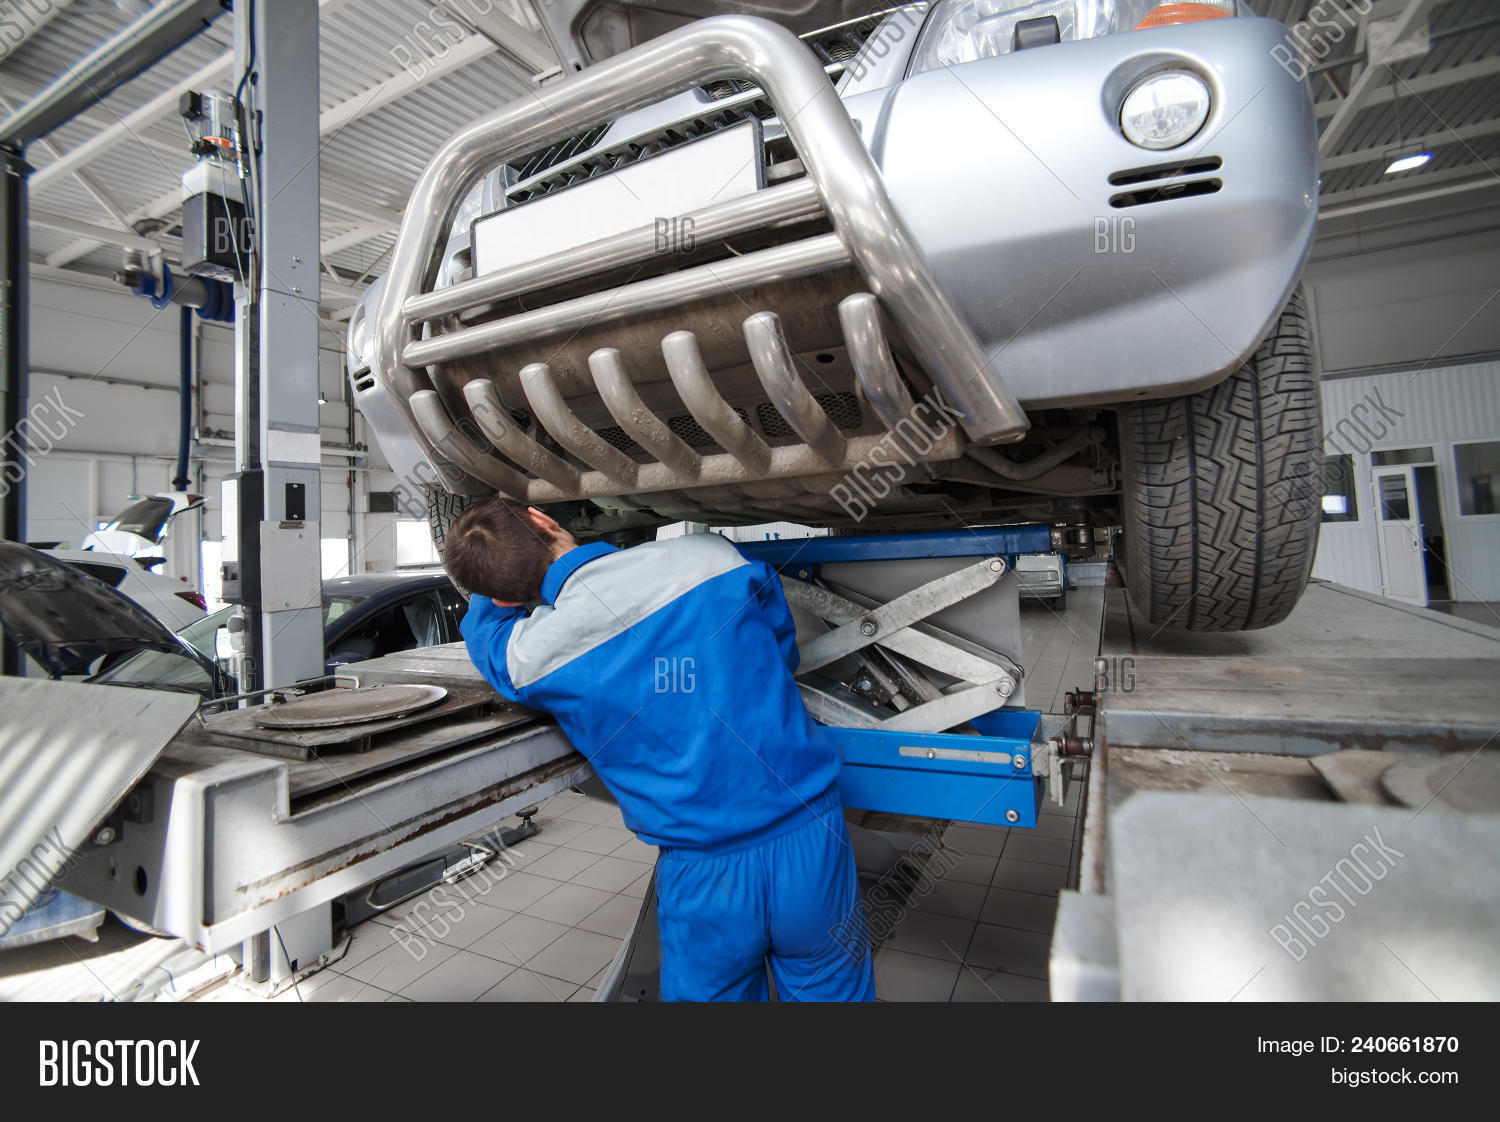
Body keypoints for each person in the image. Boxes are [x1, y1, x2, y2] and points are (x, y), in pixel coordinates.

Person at [445, 497, 875, 1002]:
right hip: (811, 835)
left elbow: (488, 641)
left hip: (704, 874)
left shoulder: (532, 657)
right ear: (543, 519)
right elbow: (780, 646)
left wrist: (491, 591)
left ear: (500, 596)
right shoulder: (708, 556)